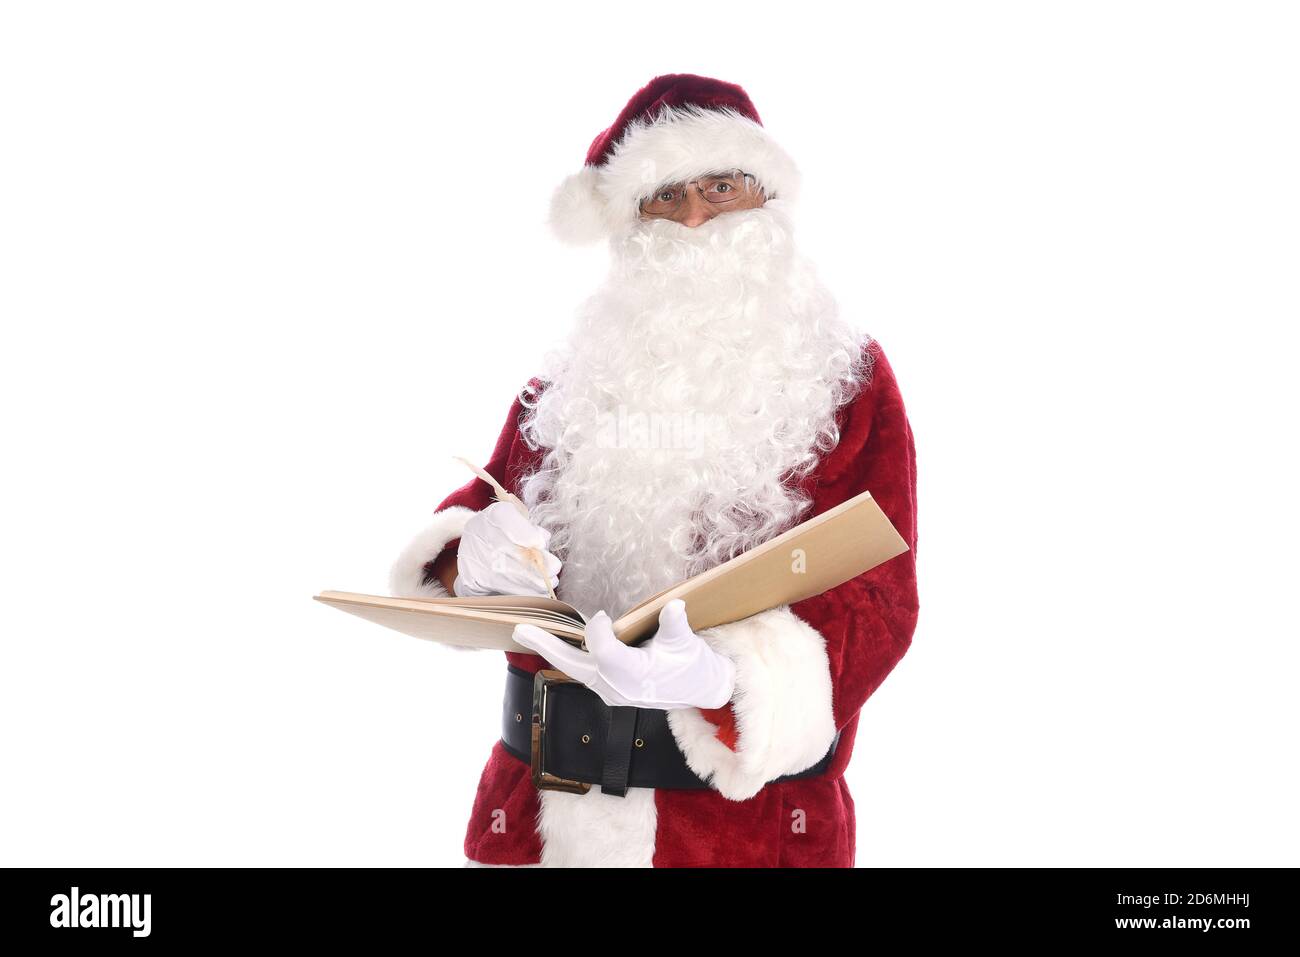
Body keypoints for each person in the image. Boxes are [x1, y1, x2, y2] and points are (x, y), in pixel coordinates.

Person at [389, 73, 919, 867]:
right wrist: (476, 560)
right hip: (545, 822)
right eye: (665, 197)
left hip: (743, 837)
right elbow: (485, 508)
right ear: (629, 223)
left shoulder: (844, 379)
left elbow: (880, 596)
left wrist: (727, 679)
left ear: (765, 199)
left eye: (719, 186)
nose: (697, 216)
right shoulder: (568, 385)